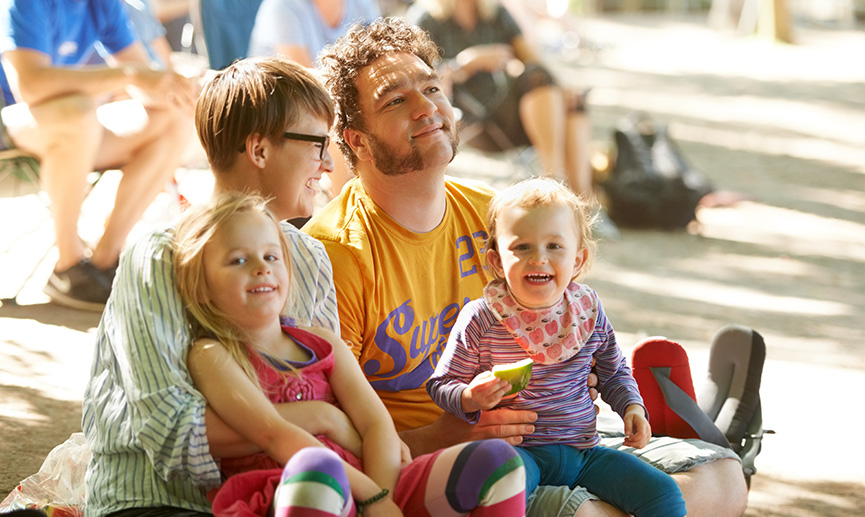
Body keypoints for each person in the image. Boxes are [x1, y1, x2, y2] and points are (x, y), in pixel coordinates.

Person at [304, 17, 748, 517]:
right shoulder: (334, 255)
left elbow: (569, 317)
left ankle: (657, 426)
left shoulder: (496, 216)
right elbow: (325, 436)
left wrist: (614, 393)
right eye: (395, 100)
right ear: (357, 139)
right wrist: (451, 431)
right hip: (457, 473)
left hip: (563, 436)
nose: (426, 106)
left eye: (431, 87)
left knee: (726, 478)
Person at [82, 57, 341, 516]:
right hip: (158, 499)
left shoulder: (308, 257)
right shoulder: (160, 255)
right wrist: (320, 418)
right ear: (259, 150)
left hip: (285, 489)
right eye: (318, 144)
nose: (327, 164)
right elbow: (172, 429)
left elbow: (327, 385)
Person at [174, 191, 528, 516]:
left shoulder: (322, 342)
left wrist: (385, 496)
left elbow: (376, 423)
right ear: (201, 285)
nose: (261, 267)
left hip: (372, 484)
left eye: (271, 255)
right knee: (317, 467)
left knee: (496, 461)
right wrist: (373, 497)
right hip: (290, 492)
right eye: (238, 260)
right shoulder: (213, 354)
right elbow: (272, 433)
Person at [426, 177, 686, 516]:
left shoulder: (587, 310)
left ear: (578, 260)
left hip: (584, 455)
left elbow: (613, 370)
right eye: (522, 247)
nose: (538, 259)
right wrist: (469, 398)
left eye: (554, 246)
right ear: (495, 261)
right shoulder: (481, 317)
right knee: (497, 480)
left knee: (664, 494)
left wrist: (632, 407)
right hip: (518, 453)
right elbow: (441, 384)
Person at [0, 0, 198, 310]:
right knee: (77, 113)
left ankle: (104, 261)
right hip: (10, 127)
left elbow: (145, 83)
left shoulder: (104, 5)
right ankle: (68, 265)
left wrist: (180, 87)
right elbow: (30, 87)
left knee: (176, 116)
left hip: (70, 128)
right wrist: (130, 75)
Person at [406, 0, 593, 200]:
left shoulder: (496, 13)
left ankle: (584, 200)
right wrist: (468, 62)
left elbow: (531, 58)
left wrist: (563, 87)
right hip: (468, 118)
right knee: (541, 81)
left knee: (568, 98)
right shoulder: (425, 18)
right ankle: (556, 189)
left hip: (515, 108)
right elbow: (419, 80)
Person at [248, 0, 381, 201]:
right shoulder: (282, 7)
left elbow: (380, 61)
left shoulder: (362, 4)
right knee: (338, 120)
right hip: (281, 104)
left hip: (332, 95)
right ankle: (345, 209)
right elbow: (306, 82)